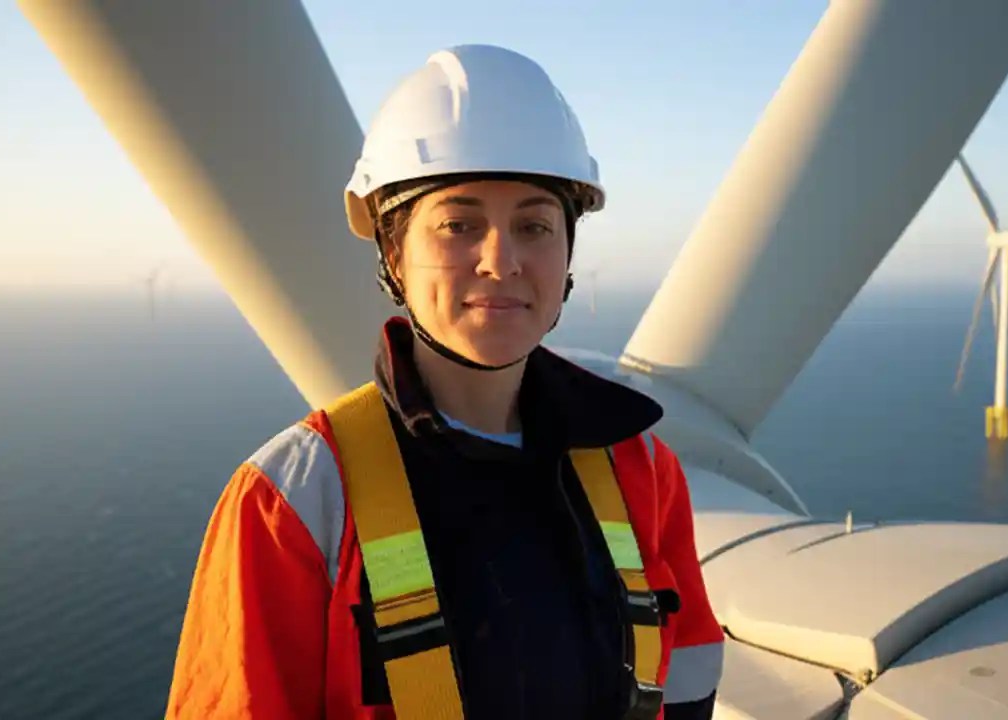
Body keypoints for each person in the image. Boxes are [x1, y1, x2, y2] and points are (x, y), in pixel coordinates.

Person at [166, 44, 723, 720]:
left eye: (534, 225)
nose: (501, 260)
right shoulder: (296, 502)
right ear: (393, 254)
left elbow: (687, 681)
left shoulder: (642, 468)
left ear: (569, 250)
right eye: (459, 224)